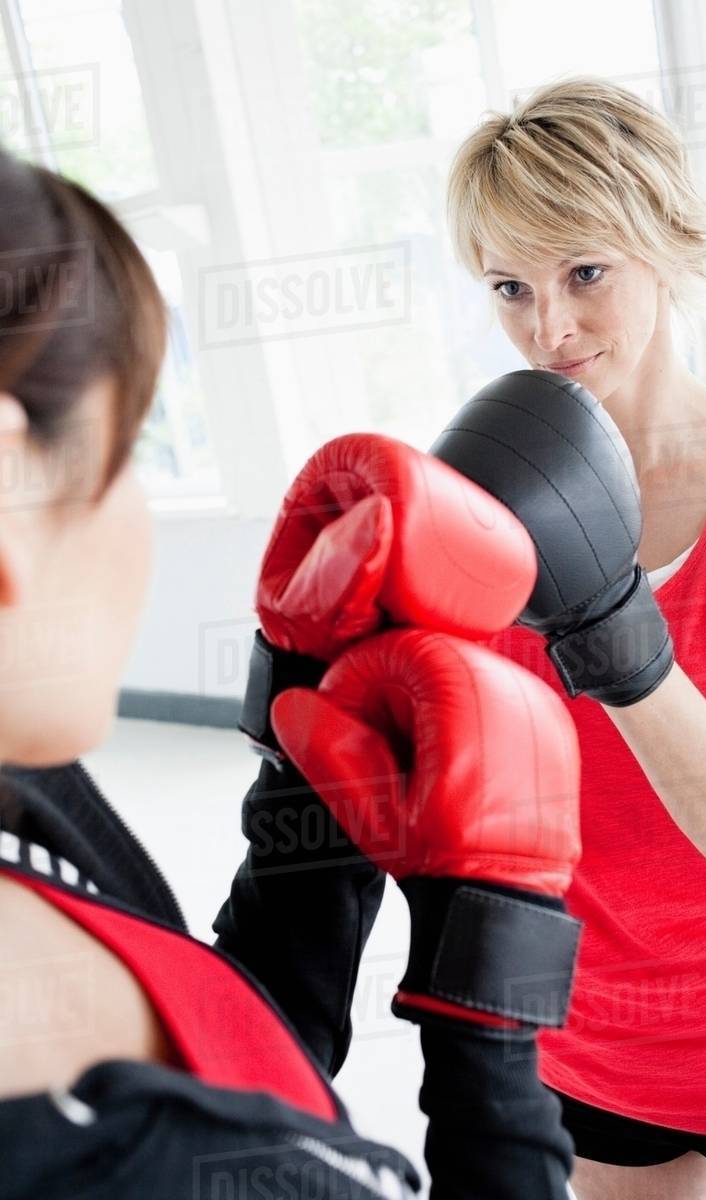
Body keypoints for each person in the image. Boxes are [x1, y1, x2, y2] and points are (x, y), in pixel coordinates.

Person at [0, 145, 585, 1199]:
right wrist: (493, 978)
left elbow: (237, 1047)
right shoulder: (107, 1161)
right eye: (130, 446)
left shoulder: (21, 786)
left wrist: (312, 759)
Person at [439, 74, 706, 1199]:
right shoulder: (480, 499)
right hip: (593, 1039)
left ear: (659, 243)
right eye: (509, 286)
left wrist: (609, 621)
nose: (548, 326)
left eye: (583, 271)